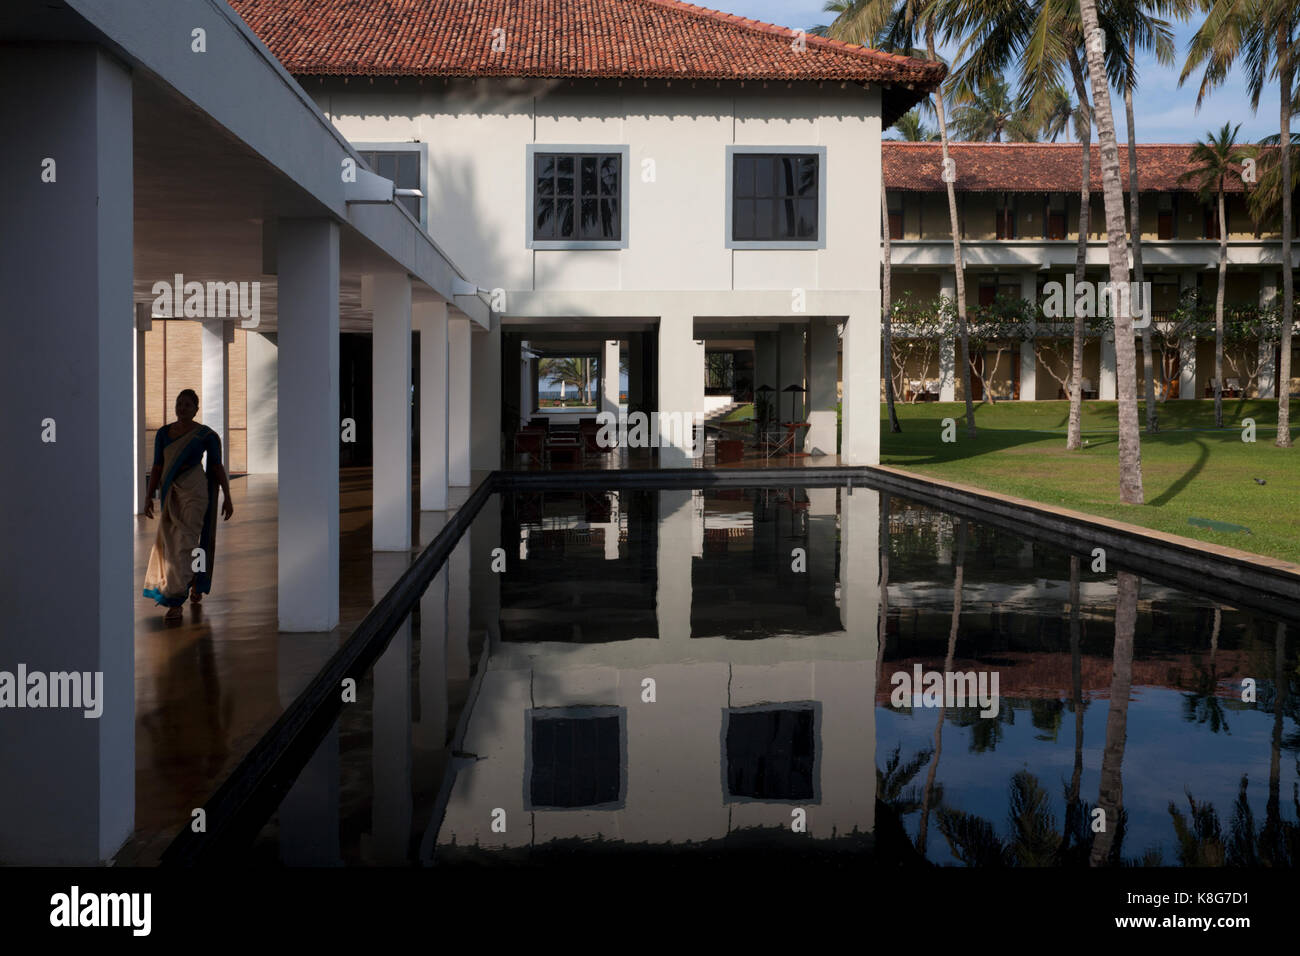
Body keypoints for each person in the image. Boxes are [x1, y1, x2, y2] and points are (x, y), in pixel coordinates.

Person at [142, 389, 234, 622]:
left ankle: (176, 600)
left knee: (188, 542)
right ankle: (192, 580)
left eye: (187, 405)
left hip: (195, 493)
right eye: (179, 404)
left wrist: (227, 495)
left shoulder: (204, 435)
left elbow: (216, 466)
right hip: (171, 493)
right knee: (172, 544)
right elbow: (157, 466)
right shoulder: (163, 433)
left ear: (196, 409)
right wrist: (148, 496)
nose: (182, 408)